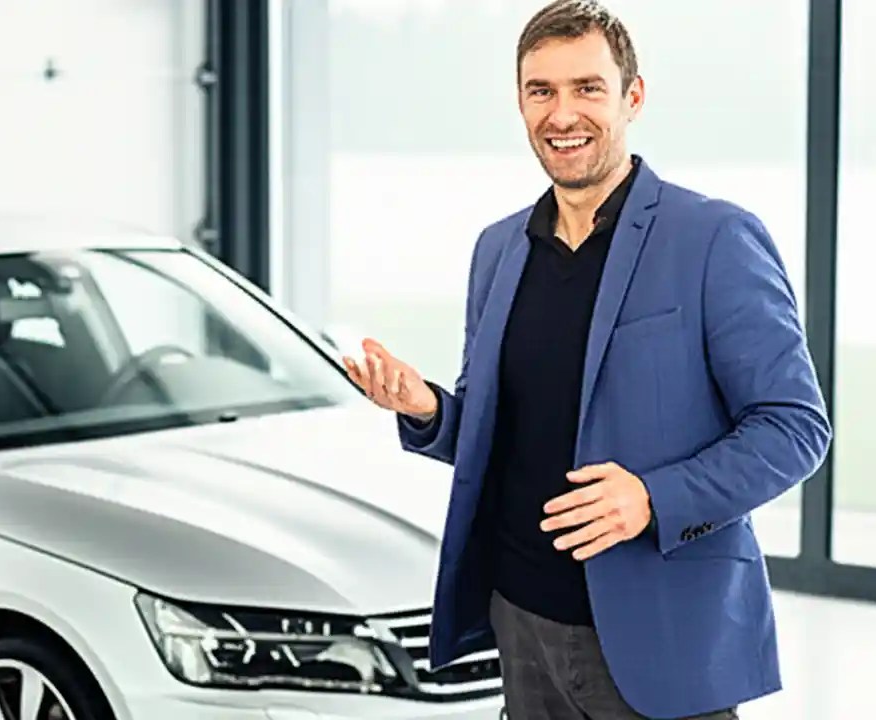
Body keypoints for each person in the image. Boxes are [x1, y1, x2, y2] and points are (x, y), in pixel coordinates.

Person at [342, 1, 831, 717]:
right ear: (519, 102)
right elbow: (503, 426)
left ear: (632, 97)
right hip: (521, 622)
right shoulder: (498, 249)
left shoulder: (714, 238)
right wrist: (429, 410)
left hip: (663, 638)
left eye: (587, 88)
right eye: (541, 91)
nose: (562, 114)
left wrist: (654, 499)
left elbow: (794, 428)